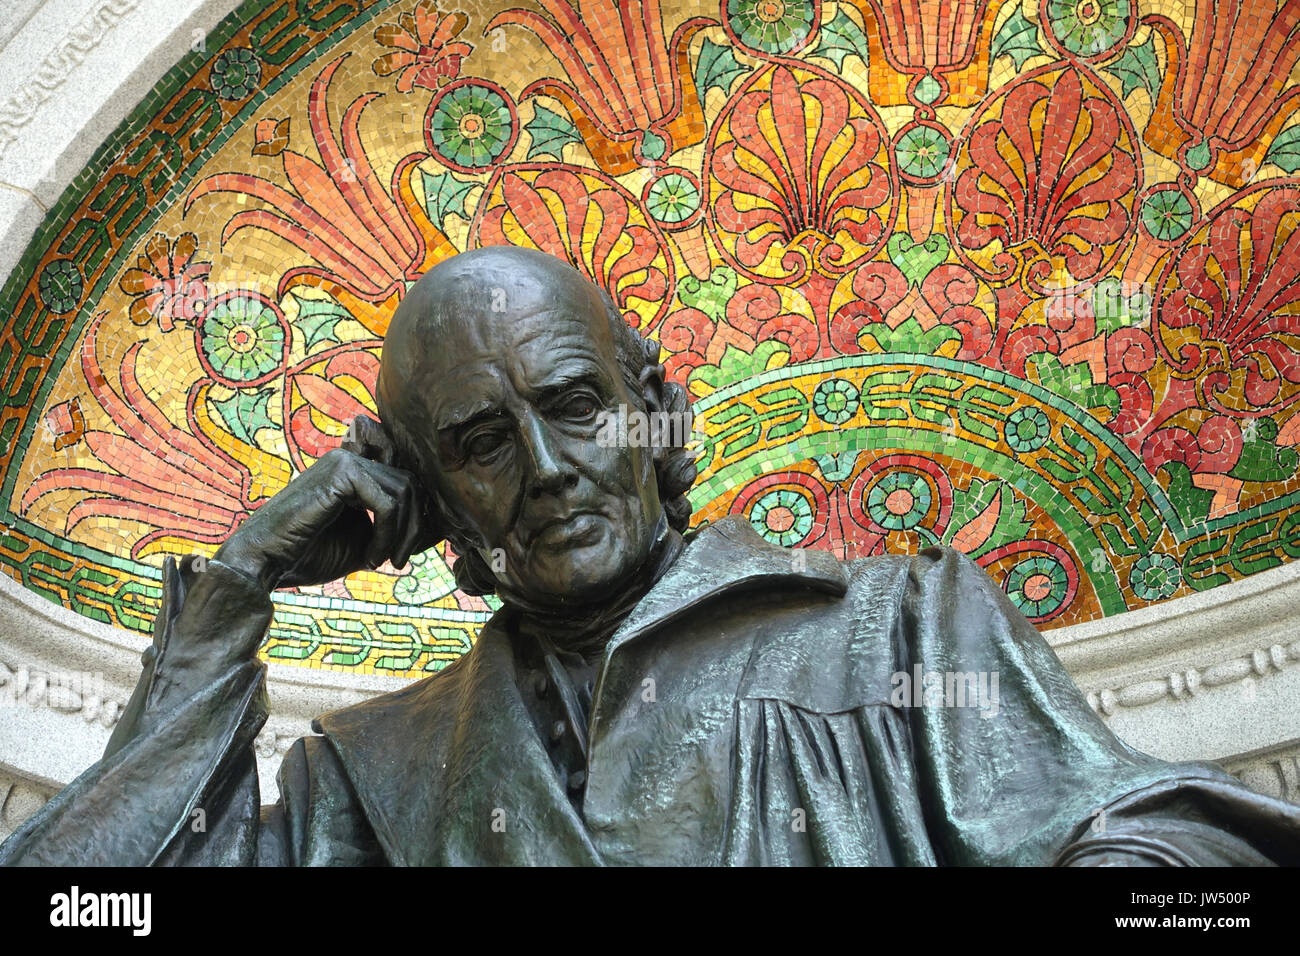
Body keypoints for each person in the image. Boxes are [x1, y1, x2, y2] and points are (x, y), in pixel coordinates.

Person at [4, 246, 1299, 866]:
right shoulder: (367, 777)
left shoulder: (909, 629)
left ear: (657, 414)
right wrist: (234, 589)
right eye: (479, 444)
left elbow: (1190, 856)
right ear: (425, 501)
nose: (547, 469)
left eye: (575, 406)